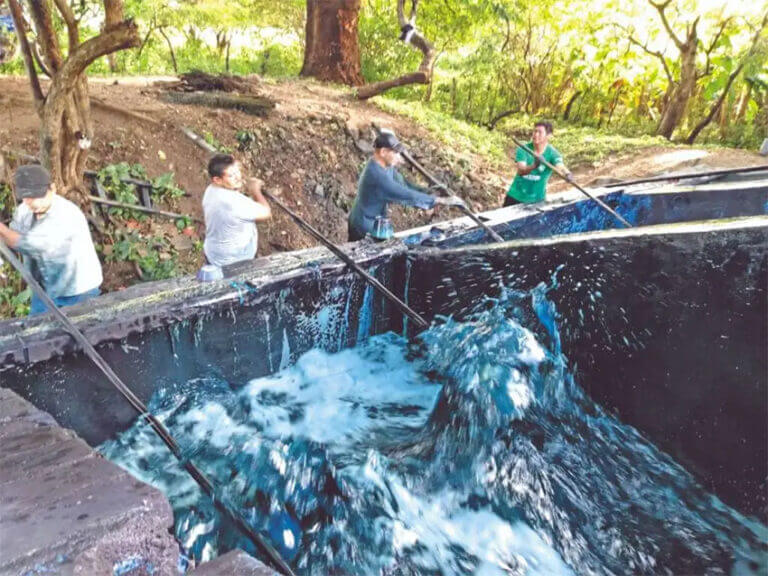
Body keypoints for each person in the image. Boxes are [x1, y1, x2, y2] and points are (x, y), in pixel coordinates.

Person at [0, 165, 102, 315]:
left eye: (37, 196)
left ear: (52, 189)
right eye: (27, 198)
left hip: (78, 291)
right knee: (36, 333)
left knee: (78, 334)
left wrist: (1, 230)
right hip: (45, 290)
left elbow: (29, 243)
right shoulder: (24, 211)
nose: (32, 203)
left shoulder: (67, 215)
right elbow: (11, 237)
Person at [348, 131, 464, 242]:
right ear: (383, 152)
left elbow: (404, 184)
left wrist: (428, 191)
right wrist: (438, 201)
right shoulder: (377, 177)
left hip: (374, 219)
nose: (398, 157)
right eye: (395, 153)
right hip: (363, 225)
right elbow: (405, 194)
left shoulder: (384, 166)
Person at [202, 154, 271, 268]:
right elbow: (266, 212)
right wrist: (255, 190)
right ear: (217, 180)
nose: (238, 177)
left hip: (213, 255)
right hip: (236, 262)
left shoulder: (211, 190)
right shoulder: (234, 203)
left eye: (237, 171)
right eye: (231, 175)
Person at [504, 121, 572, 207]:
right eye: (535, 131)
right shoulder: (523, 149)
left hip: (536, 200)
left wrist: (567, 173)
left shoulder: (553, 153)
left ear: (548, 135)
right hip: (515, 196)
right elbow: (521, 171)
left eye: (540, 132)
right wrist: (534, 166)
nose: (536, 135)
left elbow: (560, 166)